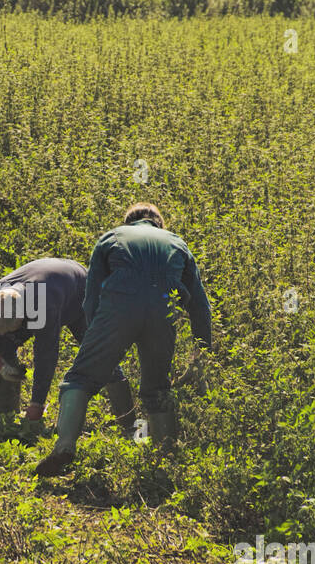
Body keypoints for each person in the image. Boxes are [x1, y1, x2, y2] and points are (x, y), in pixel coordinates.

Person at [35, 202, 213, 477]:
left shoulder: (112, 237)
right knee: (157, 389)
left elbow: (90, 299)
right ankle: (165, 465)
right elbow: (200, 307)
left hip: (118, 310)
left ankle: (65, 446)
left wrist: (99, 338)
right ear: (159, 224)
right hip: (164, 311)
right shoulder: (178, 243)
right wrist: (201, 355)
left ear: (128, 222)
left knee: (79, 379)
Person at [0, 258, 134, 431]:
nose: (2, 333)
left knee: (99, 353)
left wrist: (37, 404)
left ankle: (128, 421)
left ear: (22, 317)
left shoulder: (44, 307)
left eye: (7, 328)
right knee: (2, 344)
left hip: (79, 290)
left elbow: (46, 356)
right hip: (46, 285)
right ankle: (6, 413)